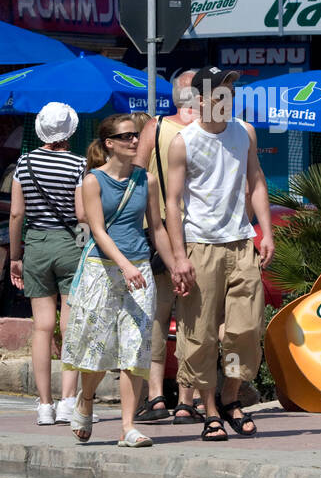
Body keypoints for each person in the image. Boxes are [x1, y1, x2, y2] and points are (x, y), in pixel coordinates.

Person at [166, 66, 274, 442]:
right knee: (201, 334)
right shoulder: (183, 142)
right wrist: (179, 256)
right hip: (201, 245)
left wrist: (266, 232)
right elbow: (172, 202)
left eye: (230, 93)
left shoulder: (244, 133)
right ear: (199, 100)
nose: (225, 101)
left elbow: (256, 180)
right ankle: (210, 410)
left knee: (245, 329)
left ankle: (230, 400)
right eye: (217, 95)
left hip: (242, 241)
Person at [62, 114, 179, 446]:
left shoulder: (148, 180)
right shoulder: (93, 182)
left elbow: (157, 228)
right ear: (109, 144)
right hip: (103, 270)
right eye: (126, 136)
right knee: (98, 348)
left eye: (136, 136)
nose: (134, 141)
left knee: (136, 349)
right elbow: (98, 231)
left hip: (140, 269)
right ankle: (86, 399)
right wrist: (125, 266)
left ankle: (128, 426)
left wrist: (173, 267)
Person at [132, 70, 204, 424]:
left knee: (157, 317)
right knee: (194, 319)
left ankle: (157, 397)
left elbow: (136, 175)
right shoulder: (213, 129)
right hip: (199, 235)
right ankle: (188, 400)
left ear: (176, 96)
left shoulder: (156, 128)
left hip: (157, 230)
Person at [9, 102, 87, 426]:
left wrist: (15, 256)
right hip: (70, 244)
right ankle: (69, 400)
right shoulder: (79, 165)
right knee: (70, 325)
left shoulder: (24, 164)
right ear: (70, 130)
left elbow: (16, 214)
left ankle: (44, 405)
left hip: (37, 244)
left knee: (41, 327)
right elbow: (82, 216)